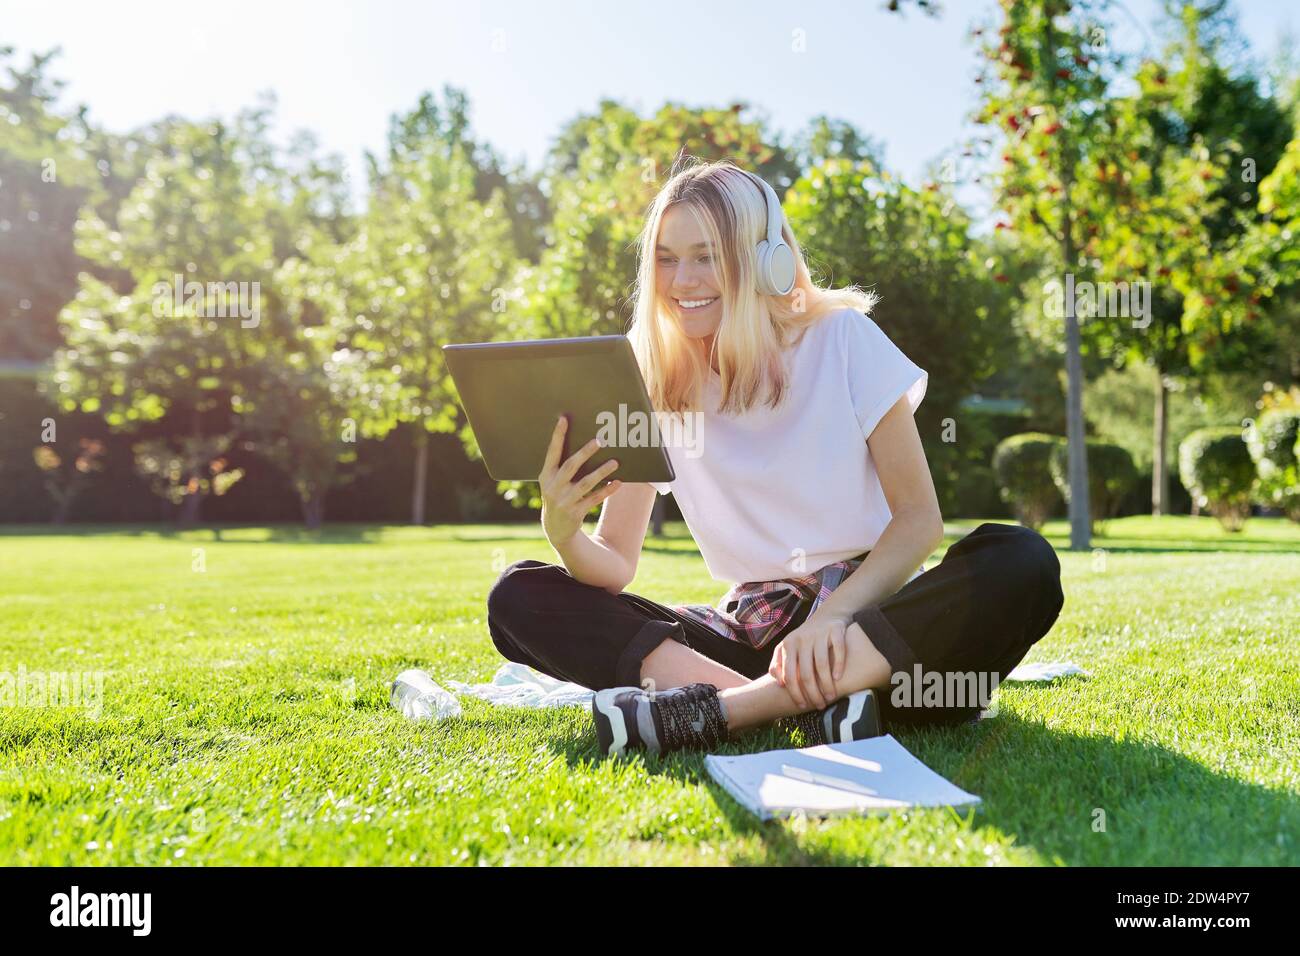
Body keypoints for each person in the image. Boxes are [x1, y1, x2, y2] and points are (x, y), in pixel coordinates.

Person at [487, 157, 1064, 757]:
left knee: (1020, 559)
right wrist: (563, 532)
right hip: (749, 638)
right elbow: (614, 563)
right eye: (665, 257)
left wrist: (830, 620)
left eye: (707, 255)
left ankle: (734, 713)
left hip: (868, 630)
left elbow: (919, 521)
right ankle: (806, 711)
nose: (682, 280)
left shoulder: (842, 340)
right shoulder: (652, 376)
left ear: (767, 260)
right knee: (518, 596)